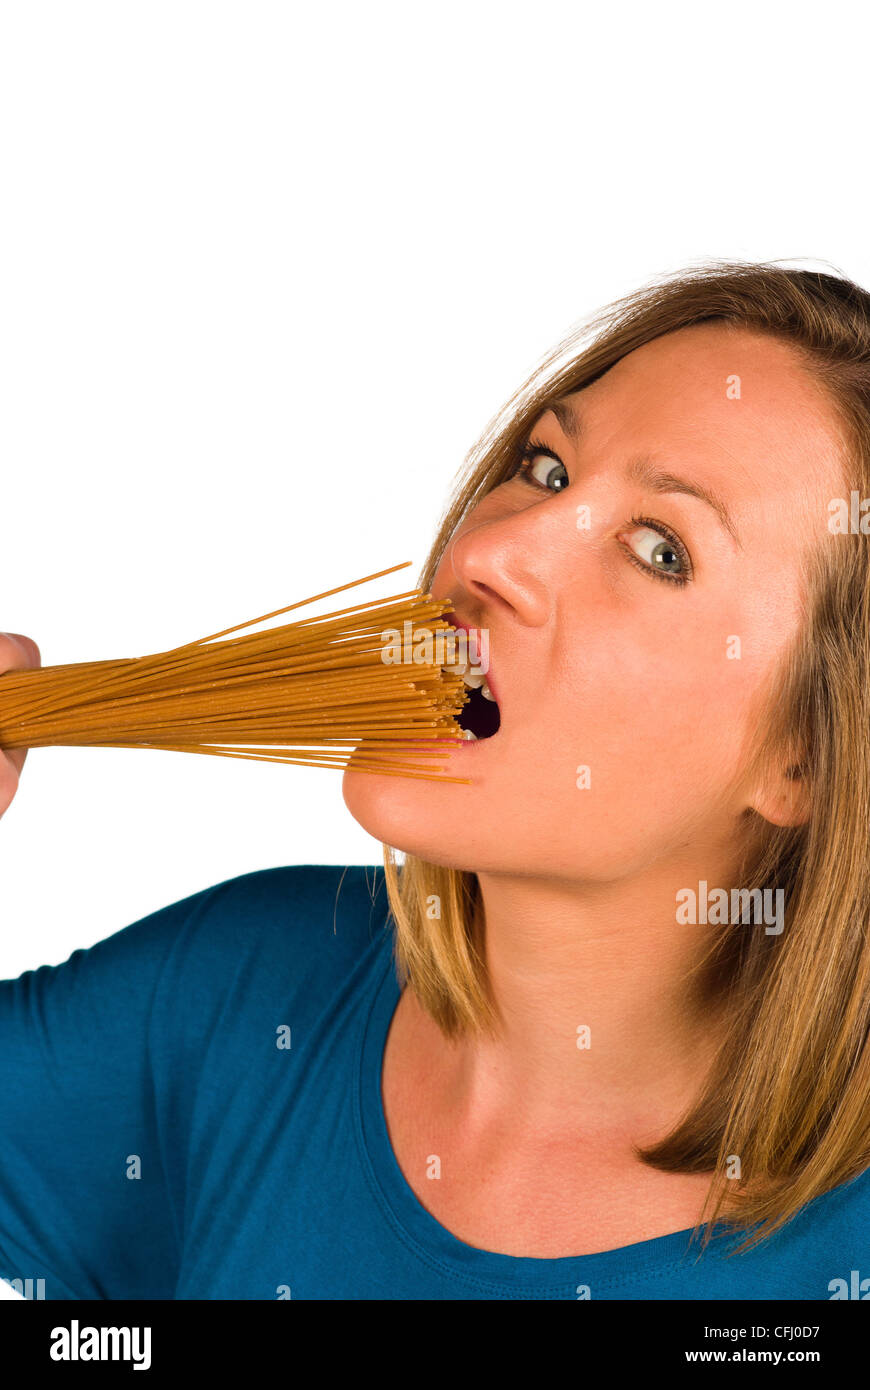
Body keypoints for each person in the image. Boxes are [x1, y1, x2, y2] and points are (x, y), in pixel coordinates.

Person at [1, 259, 868, 1301]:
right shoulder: (246, 991)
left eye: (658, 550)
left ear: (806, 759)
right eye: (547, 468)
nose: (497, 550)